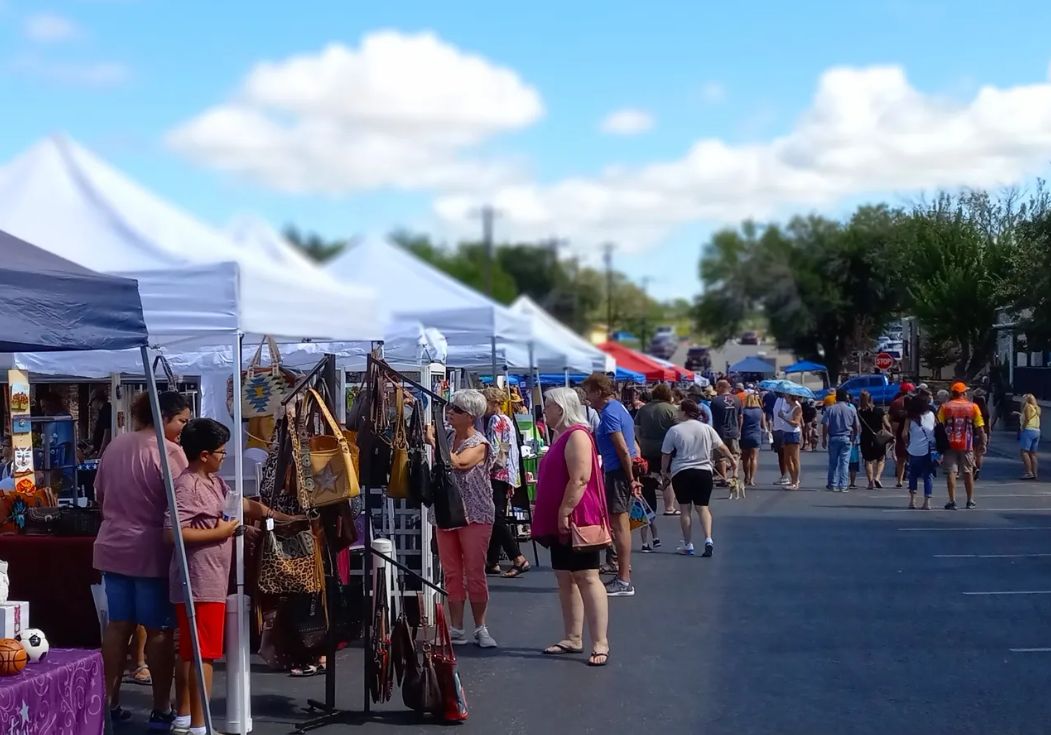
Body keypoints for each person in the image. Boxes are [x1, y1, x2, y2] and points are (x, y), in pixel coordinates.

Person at [94, 391, 192, 728]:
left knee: (118, 625)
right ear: (164, 417)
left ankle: (109, 702)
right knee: (159, 630)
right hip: (150, 549)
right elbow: (183, 503)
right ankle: (161, 706)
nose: (183, 427)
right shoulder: (171, 453)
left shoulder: (116, 446)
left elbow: (100, 495)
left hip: (112, 544)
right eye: (181, 420)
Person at [531, 388, 610, 667]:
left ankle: (600, 641)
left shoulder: (577, 435)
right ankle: (573, 636)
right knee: (565, 577)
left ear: (561, 408)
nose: (545, 411)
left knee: (587, 576)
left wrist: (565, 510)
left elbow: (580, 477)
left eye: (548, 406)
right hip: (560, 516)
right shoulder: (560, 435)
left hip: (577, 516)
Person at [425, 390, 498, 646]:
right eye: (450, 408)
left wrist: (434, 442)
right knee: (452, 572)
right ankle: (457, 628)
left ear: (470, 415)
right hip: (446, 511)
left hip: (474, 513)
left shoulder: (479, 443)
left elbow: (457, 462)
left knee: (474, 571)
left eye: (455, 409)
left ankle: (481, 627)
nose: (449, 413)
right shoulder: (447, 436)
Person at [582, 372, 640, 598]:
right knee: (620, 525)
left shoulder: (609, 414)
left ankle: (624, 578)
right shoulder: (618, 409)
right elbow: (632, 444)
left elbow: (623, 448)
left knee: (619, 526)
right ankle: (623, 575)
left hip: (616, 472)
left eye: (588, 392)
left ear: (598, 391)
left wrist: (631, 477)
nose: (587, 398)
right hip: (619, 470)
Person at [661, 400, 737, 557]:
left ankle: (688, 544)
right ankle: (708, 539)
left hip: (682, 472)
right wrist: (733, 460)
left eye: (679, 410)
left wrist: (664, 472)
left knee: (685, 509)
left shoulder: (674, 430)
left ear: (685, 412)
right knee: (703, 508)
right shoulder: (706, 428)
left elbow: (666, 454)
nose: (677, 413)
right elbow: (721, 447)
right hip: (704, 471)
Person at [481, 388, 530, 578]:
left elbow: (494, 448)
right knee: (497, 516)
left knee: (496, 518)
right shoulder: (507, 420)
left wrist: (487, 466)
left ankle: (517, 557)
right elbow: (507, 447)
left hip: (497, 474)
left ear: (493, 403)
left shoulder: (495, 421)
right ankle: (492, 561)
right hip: (507, 473)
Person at [635, 383, 679, 531]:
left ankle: (649, 511)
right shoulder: (671, 409)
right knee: (667, 476)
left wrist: (642, 442)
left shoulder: (643, 409)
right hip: (666, 448)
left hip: (647, 448)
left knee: (648, 480)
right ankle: (669, 507)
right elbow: (677, 430)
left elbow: (637, 429)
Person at [937, 382, 984, 510]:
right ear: (963, 393)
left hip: (949, 443)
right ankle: (970, 500)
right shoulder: (973, 406)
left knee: (951, 472)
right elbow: (980, 427)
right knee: (968, 471)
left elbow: (938, 425)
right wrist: (982, 443)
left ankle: (952, 500)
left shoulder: (945, 407)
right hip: (967, 443)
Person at [822, 388, 860, 492]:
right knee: (844, 463)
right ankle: (843, 485)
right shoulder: (851, 409)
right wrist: (854, 437)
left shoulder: (830, 409)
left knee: (833, 462)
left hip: (833, 437)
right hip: (846, 437)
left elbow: (825, 424)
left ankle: (832, 483)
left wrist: (824, 438)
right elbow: (856, 426)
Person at [902, 391, 936, 509]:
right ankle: (927, 502)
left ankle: (912, 501)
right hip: (928, 450)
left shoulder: (910, 418)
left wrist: (908, 444)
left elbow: (904, 434)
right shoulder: (931, 414)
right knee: (928, 476)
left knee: (913, 475)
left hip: (914, 449)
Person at [709, 380, 743, 485]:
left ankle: (723, 478)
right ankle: (735, 474)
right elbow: (740, 416)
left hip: (719, 431)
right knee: (735, 454)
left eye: (717, 387)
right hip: (733, 430)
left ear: (720, 387)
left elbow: (712, 417)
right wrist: (739, 429)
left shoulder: (715, 401)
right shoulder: (737, 399)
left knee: (721, 456)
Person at [857, 390, 891, 489]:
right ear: (871, 399)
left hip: (865, 437)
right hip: (879, 437)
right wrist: (891, 434)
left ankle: (870, 482)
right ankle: (877, 477)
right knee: (881, 458)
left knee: (868, 460)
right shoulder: (879, 410)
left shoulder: (859, 412)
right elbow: (887, 425)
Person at [888, 383, 913, 488]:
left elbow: (890, 419)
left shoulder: (895, 403)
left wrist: (891, 432)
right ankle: (912, 479)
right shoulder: (914, 403)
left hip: (899, 432)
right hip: (914, 433)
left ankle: (900, 480)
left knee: (900, 459)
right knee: (912, 458)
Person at [739, 393, 766, 486]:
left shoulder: (744, 411)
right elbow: (763, 425)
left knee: (745, 458)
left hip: (745, 435)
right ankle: (752, 479)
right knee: (754, 458)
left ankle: (746, 476)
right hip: (756, 435)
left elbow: (740, 424)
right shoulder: (760, 411)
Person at [779, 394, 804, 489]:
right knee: (786, 459)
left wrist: (784, 417)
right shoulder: (789, 407)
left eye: (786, 397)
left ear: (791, 397)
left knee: (794, 459)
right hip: (786, 433)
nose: (785, 398)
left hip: (793, 434)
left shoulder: (797, 408)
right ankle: (793, 479)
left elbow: (796, 423)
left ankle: (795, 481)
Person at [1017, 393, 1042, 480]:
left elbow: (1027, 418)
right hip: (1036, 430)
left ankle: (1029, 472)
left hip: (1028, 430)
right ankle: (1035, 473)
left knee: (1024, 452)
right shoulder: (1036, 408)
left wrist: (1023, 427)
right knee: (1033, 453)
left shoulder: (1027, 407)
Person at [90, 387, 114, 458]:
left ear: (96, 400)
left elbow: (107, 433)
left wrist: (101, 454)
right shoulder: (102, 412)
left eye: (91, 403)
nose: (91, 406)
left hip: (106, 453)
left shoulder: (106, 411)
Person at [973, 390, 991, 481]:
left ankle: (973, 467)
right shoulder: (986, 411)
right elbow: (988, 425)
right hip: (983, 433)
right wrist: (988, 436)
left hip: (972, 432)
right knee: (980, 454)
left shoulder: (972, 408)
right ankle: (978, 469)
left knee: (971, 453)